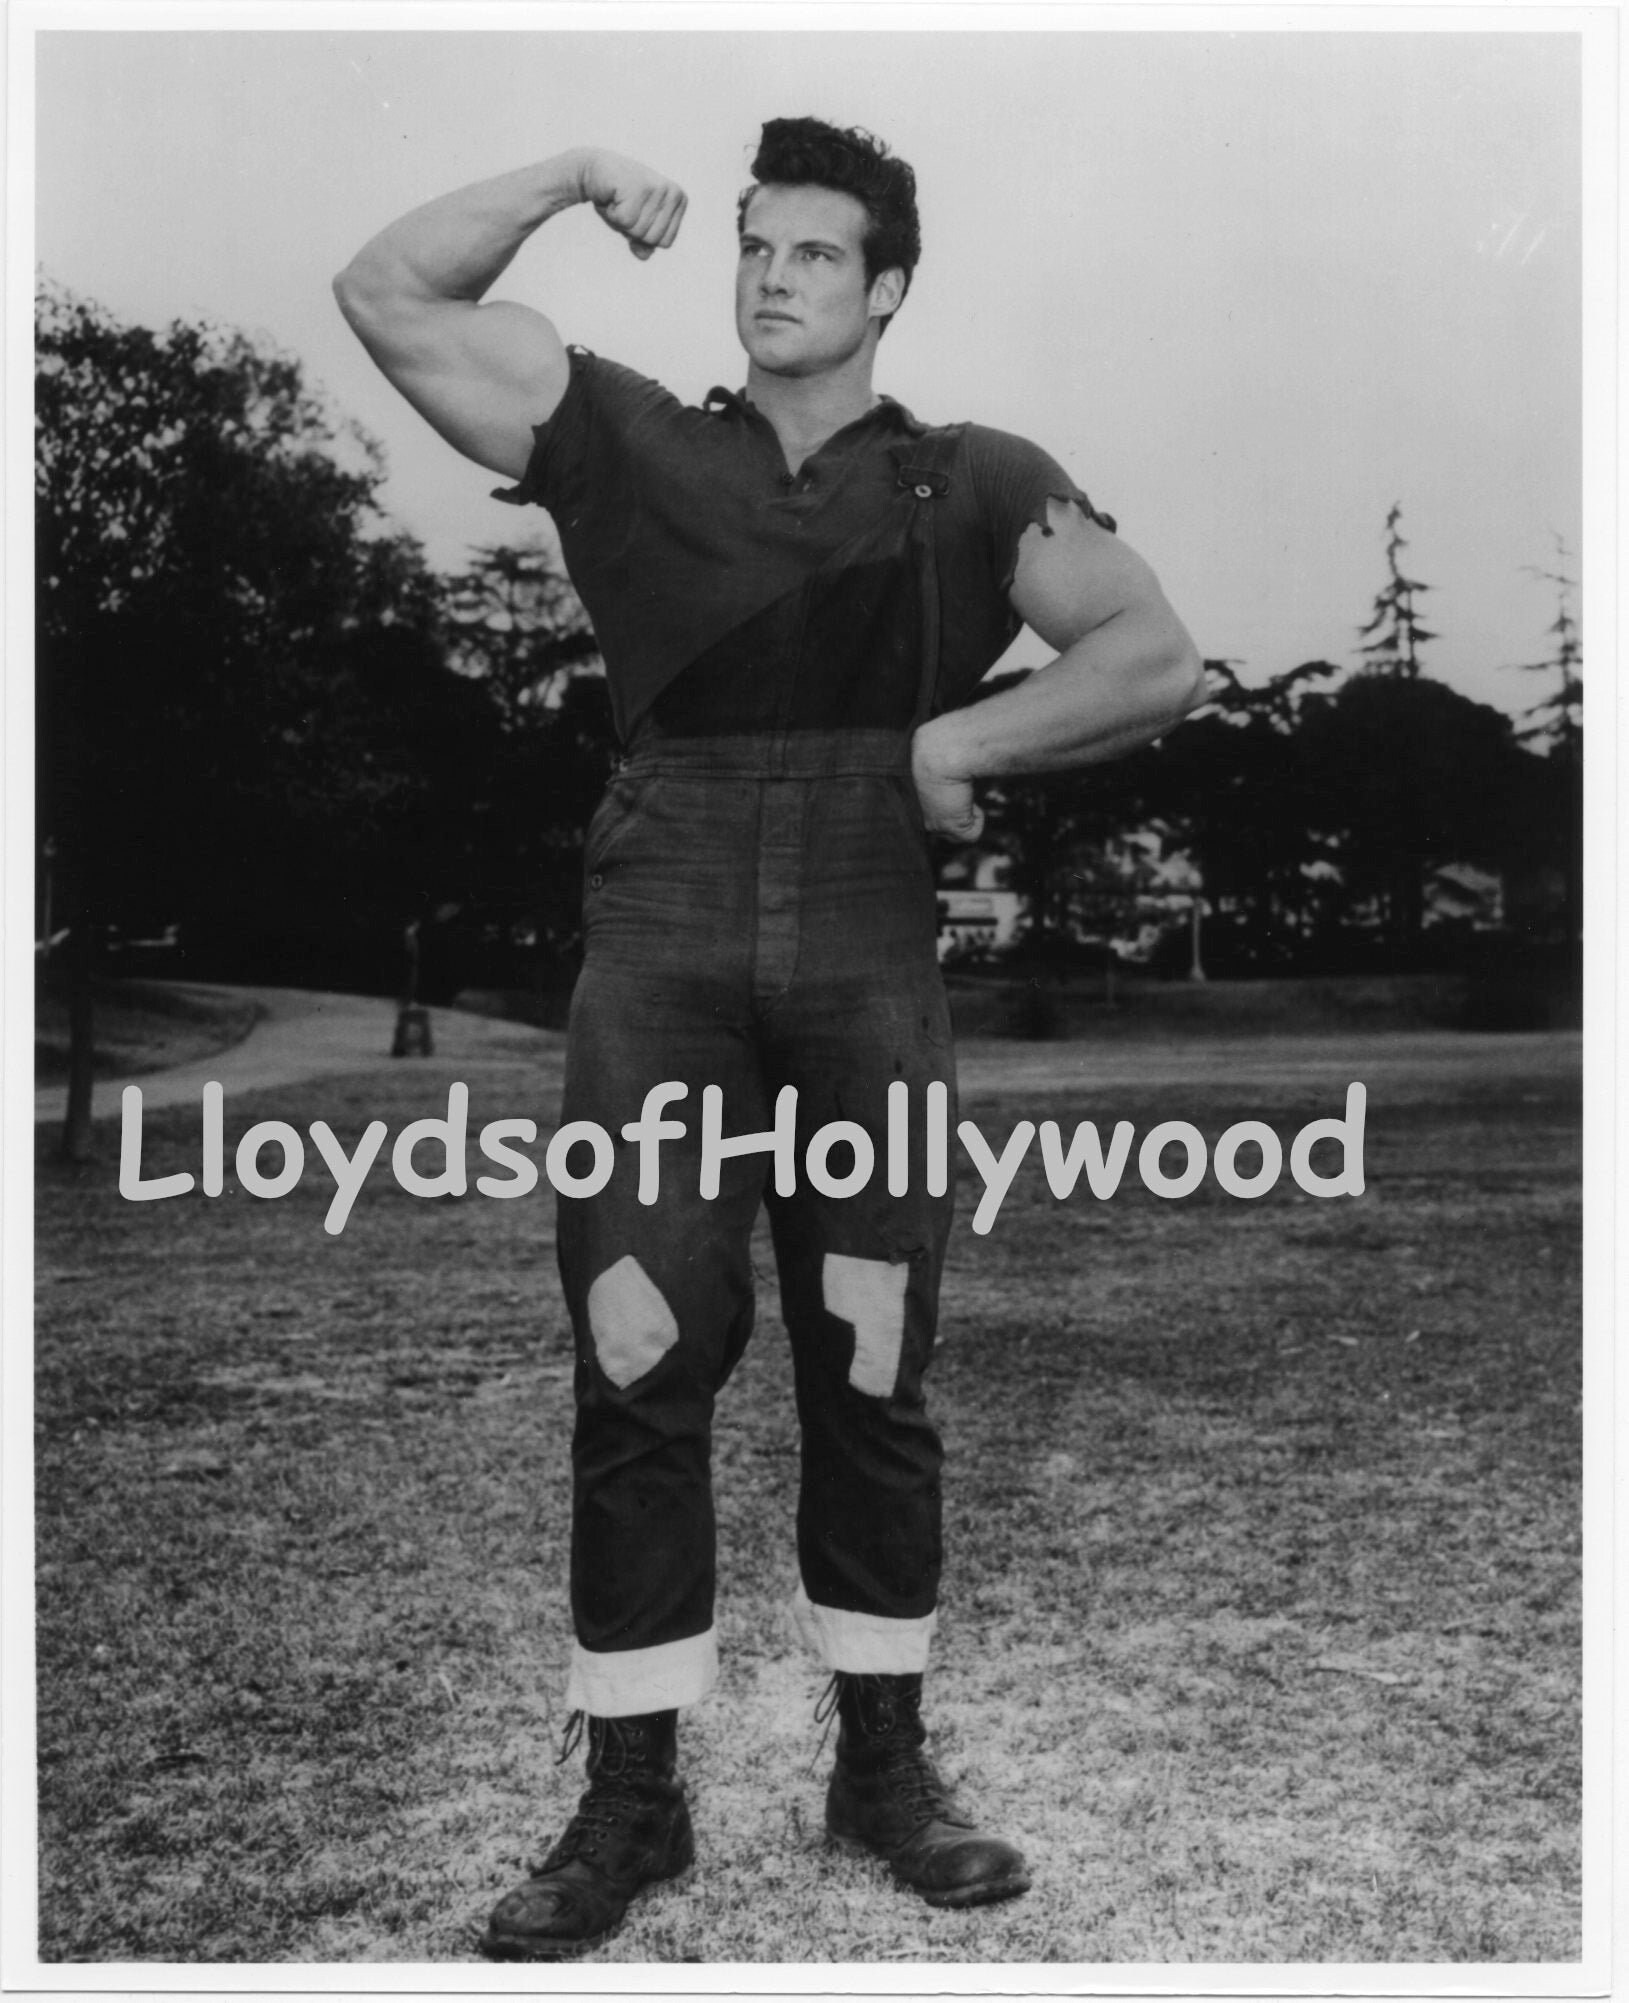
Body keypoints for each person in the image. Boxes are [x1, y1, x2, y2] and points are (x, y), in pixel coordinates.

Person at [335, 116, 1203, 1960]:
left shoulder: (970, 482)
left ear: (886, 286)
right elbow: (390, 290)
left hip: (866, 953)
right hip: (658, 945)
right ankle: (627, 1800)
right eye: (757, 245)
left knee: (872, 1356)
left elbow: (1149, 652)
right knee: (638, 1347)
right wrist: (570, 175)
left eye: (818, 253)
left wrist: (954, 745)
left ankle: (881, 1768)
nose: (775, 274)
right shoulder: (630, 440)